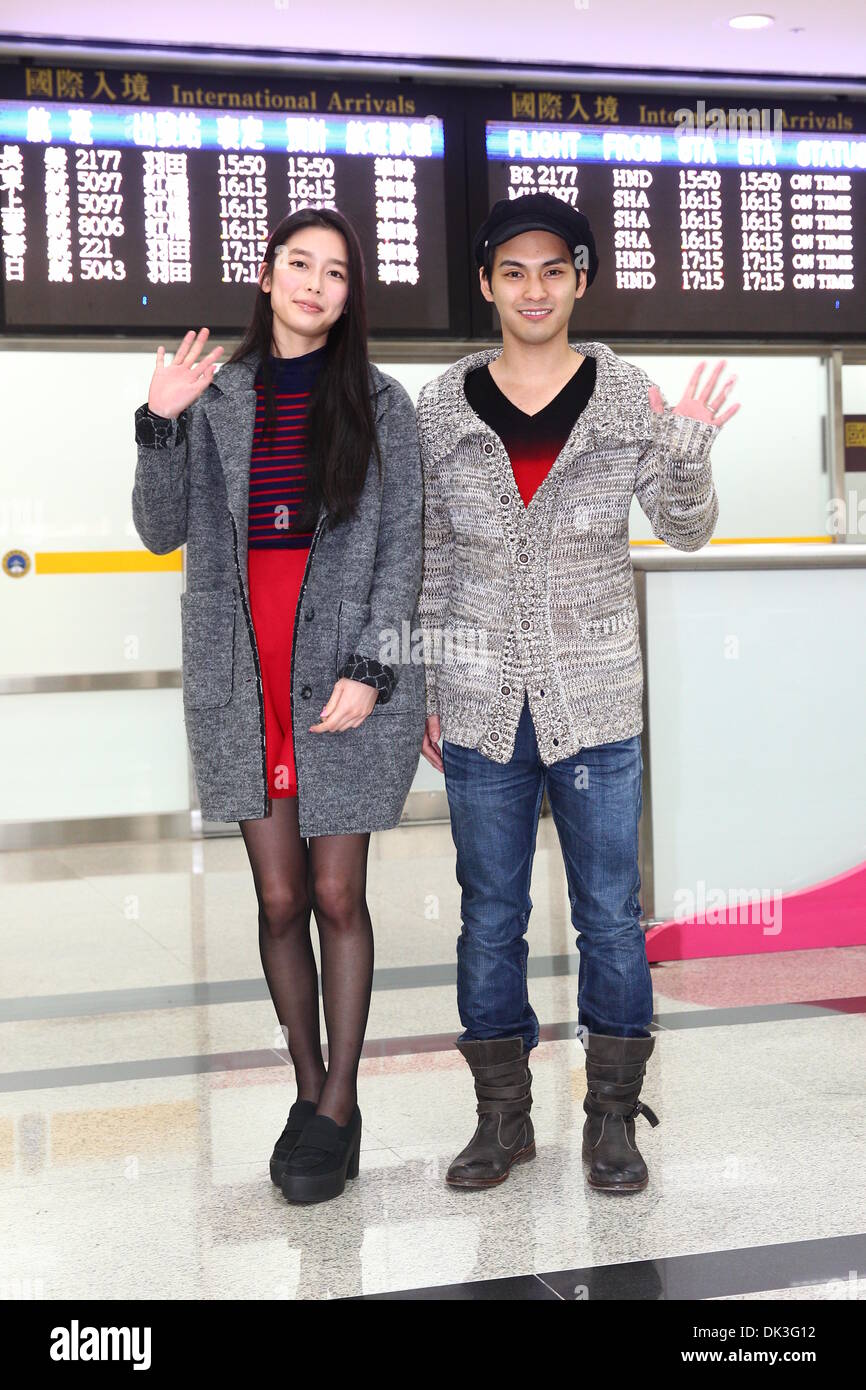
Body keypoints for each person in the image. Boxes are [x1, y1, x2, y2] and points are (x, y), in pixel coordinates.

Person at [417, 192, 740, 1194]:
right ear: (485, 284)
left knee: (608, 915)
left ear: (578, 281)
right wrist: (429, 676)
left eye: (552, 270)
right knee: (488, 917)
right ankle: (500, 1119)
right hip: (478, 706)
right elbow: (429, 555)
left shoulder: (622, 393)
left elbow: (684, 529)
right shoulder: (440, 405)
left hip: (593, 705)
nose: (532, 288)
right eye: (511, 271)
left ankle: (610, 1118)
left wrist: (686, 453)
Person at [131, 207, 426, 1205]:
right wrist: (158, 419)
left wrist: (373, 669)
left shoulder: (383, 406)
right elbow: (158, 530)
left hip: (343, 674)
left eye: (334, 271)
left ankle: (338, 1103)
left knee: (338, 895)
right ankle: (308, 1090)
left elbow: (402, 557)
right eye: (297, 264)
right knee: (277, 898)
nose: (313, 283)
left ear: (350, 296)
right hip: (240, 665)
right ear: (265, 279)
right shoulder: (215, 395)